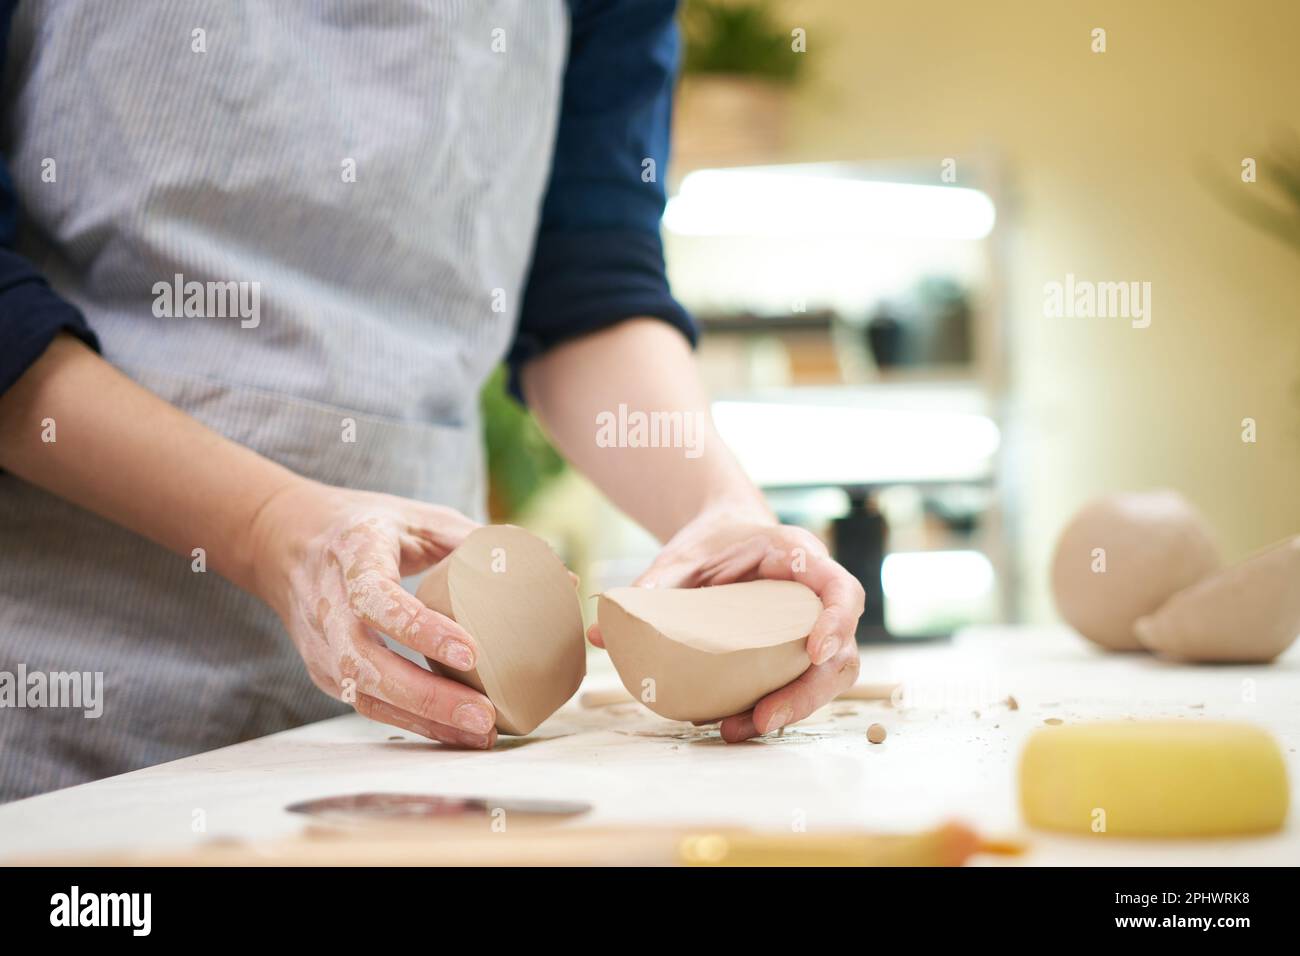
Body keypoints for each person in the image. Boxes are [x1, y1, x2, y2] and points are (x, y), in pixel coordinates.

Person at [0, 0, 863, 803]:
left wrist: (721, 511)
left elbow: (587, 289)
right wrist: (269, 525)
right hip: (83, 687)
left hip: (429, 696)